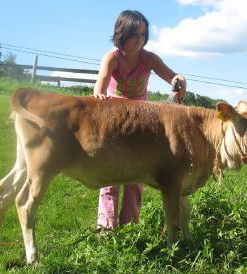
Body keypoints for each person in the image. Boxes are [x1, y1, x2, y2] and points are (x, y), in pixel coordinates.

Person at [93, 10, 186, 230]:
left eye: (143, 34)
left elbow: (172, 75)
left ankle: (129, 227)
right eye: (135, 34)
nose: (140, 39)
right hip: (115, 122)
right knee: (110, 174)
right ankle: (106, 227)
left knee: (136, 176)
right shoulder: (112, 57)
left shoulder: (149, 58)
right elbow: (100, 84)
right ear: (122, 34)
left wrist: (179, 80)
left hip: (141, 124)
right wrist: (98, 94)